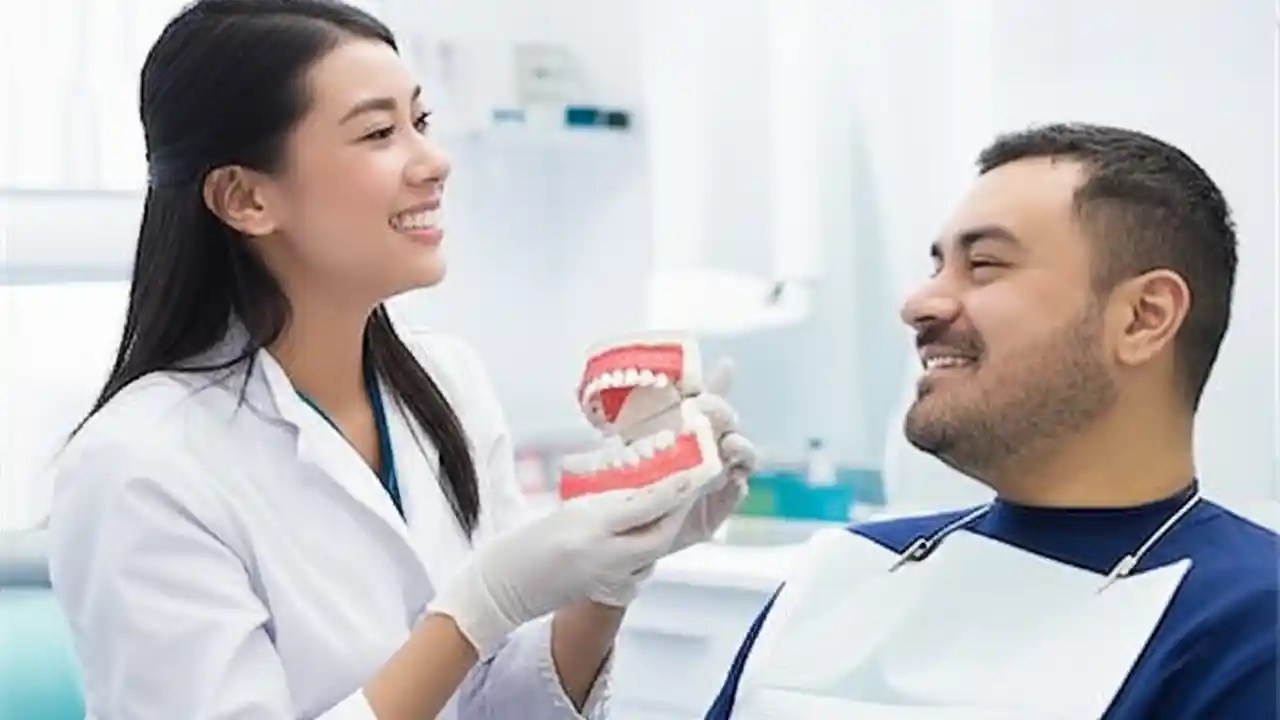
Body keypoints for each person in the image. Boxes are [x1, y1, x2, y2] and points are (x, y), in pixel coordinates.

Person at [44, 2, 756, 718]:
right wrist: (471, 614)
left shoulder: (448, 384)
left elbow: (504, 708)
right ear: (245, 197)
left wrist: (613, 572)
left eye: (421, 122)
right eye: (379, 133)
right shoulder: (139, 466)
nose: (434, 161)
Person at [706, 123, 1279, 719]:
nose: (919, 303)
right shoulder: (845, 573)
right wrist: (602, 597)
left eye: (983, 265)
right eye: (937, 267)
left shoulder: (1249, 623)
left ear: (1142, 318)